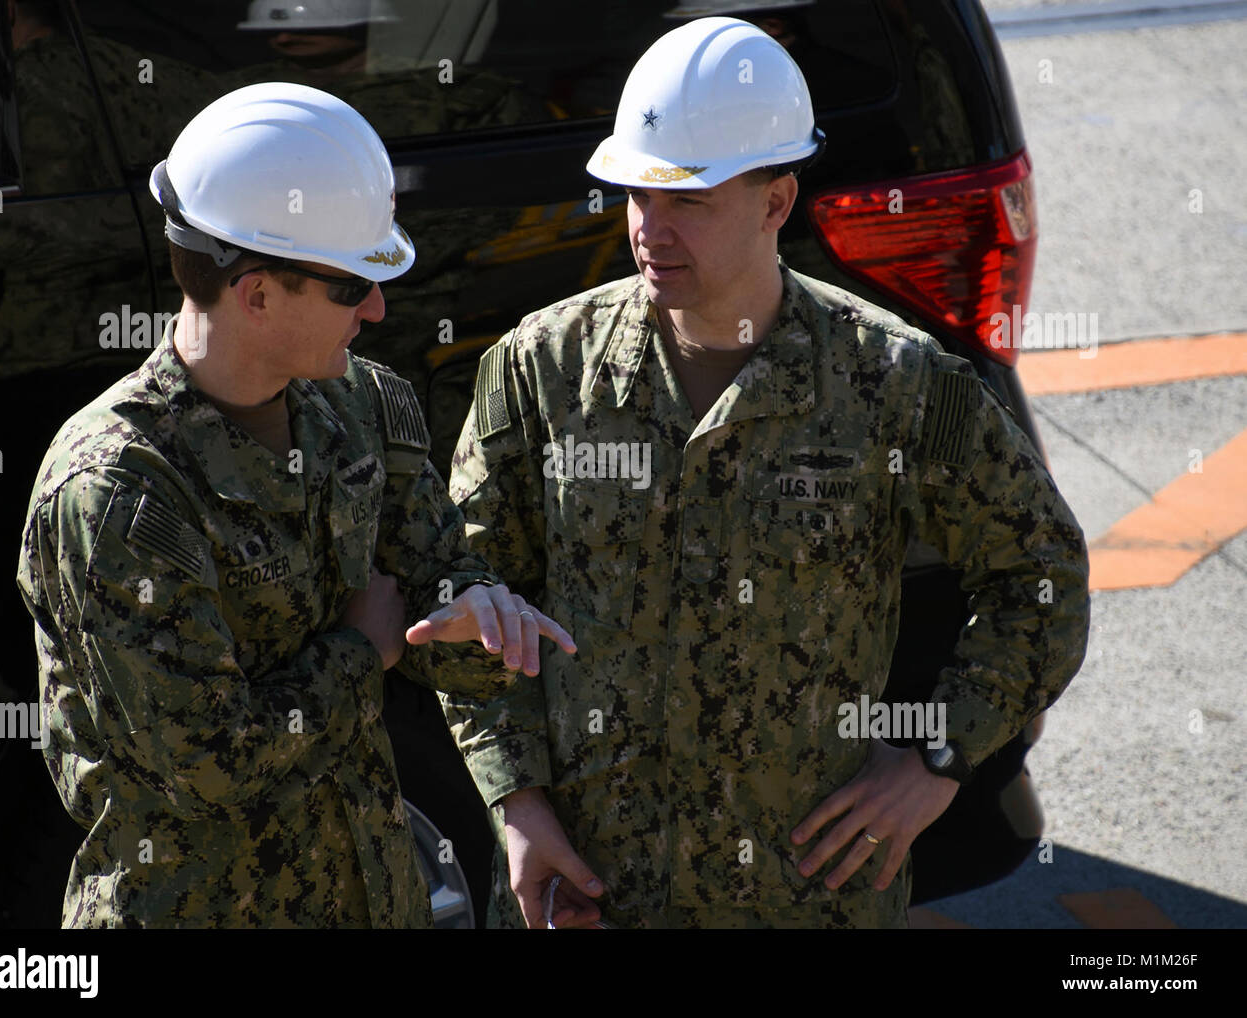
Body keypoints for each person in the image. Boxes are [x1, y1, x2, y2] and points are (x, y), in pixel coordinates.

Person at [439, 16, 1089, 929]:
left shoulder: (893, 382)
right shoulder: (541, 369)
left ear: (777, 202)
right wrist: (518, 804)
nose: (650, 232)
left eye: (689, 203)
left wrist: (933, 759)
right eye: (636, 197)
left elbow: (1041, 581)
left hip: (804, 903)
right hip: (589, 900)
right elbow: (469, 590)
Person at [14, 81, 574, 929]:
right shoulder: (115, 490)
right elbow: (201, 764)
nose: (381, 309)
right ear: (258, 295)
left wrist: (473, 615)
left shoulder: (366, 406)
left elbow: (431, 583)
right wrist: (360, 650)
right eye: (353, 287)